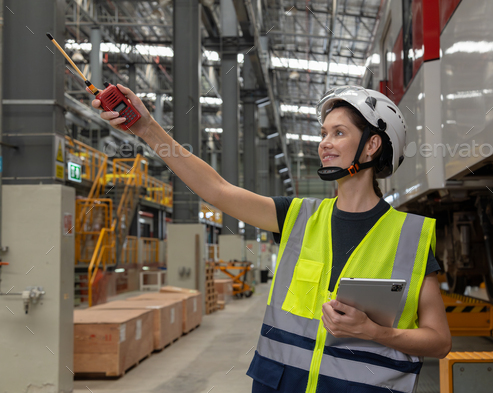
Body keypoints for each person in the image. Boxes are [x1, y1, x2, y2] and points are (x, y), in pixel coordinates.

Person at [91, 84, 452, 393]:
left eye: (338, 133)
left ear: (372, 145)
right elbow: (216, 189)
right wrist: (148, 128)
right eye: (323, 133)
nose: (324, 143)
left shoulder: (411, 236)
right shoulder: (296, 217)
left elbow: (439, 341)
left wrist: (375, 332)